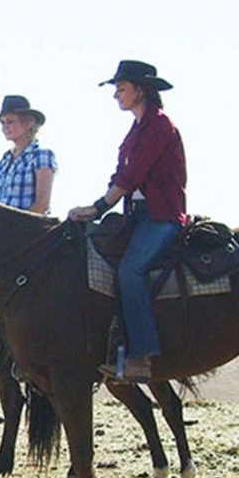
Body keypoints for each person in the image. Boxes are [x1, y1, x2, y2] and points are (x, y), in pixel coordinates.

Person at [68, 60, 187, 382]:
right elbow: (121, 175)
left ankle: (142, 356)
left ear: (140, 89)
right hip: (136, 217)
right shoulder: (137, 129)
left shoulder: (159, 126)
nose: (116, 95)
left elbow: (132, 176)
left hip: (161, 217)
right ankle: (112, 348)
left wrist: (97, 207)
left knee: (131, 270)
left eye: (121, 88)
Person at [0, 95, 57, 214]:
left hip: (30, 227)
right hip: (0, 227)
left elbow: (42, 203)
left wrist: (17, 226)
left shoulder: (41, 156)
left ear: (28, 124)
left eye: (10, 121)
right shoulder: (4, 160)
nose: (5, 127)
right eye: (3, 122)